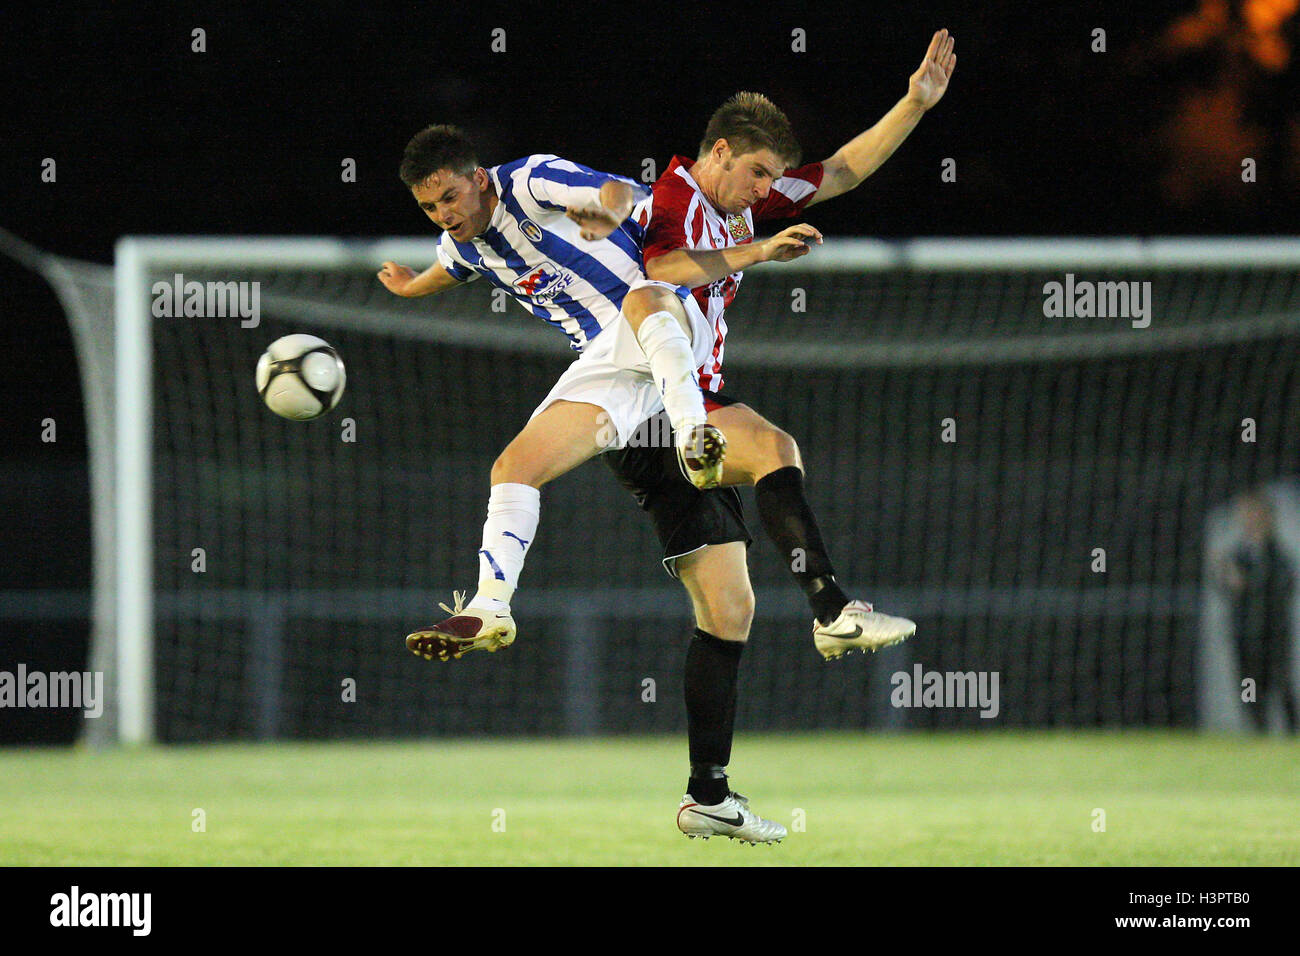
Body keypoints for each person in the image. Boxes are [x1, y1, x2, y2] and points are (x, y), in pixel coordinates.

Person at [609, 30, 957, 842]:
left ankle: (708, 796)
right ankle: (833, 609)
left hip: (672, 417)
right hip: (658, 408)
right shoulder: (670, 201)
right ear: (720, 151)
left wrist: (914, 103)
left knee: (729, 611)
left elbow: (840, 171)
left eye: (771, 179)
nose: (766, 188)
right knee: (774, 447)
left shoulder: (733, 203)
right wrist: (755, 252)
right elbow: (660, 272)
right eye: (757, 172)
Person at [378, 125, 729, 659]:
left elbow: (620, 192)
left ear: (477, 179)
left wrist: (608, 214)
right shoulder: (463, 244)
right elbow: (450, 268)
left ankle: (694, 434)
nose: (444, 213)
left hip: (669, 311)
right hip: (610, 362)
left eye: (450, 196)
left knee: (645, 308)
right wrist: (409, 286)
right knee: (513, 469)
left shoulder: (529, 179)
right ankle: (490, 607)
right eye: (429, 207)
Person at [1220, 490, 1298, 733]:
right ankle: (1257, 728)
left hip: (1273, 632)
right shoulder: (1236, 553)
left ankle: (1292, 730)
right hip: (1244, 633)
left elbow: (1283, 586)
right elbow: (1225, 587)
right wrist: (1227, 579)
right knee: (1249, 685)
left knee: (1280, 683)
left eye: (1253, 513)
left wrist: (1246, 583)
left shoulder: (1278, 554)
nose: (1248, 519)